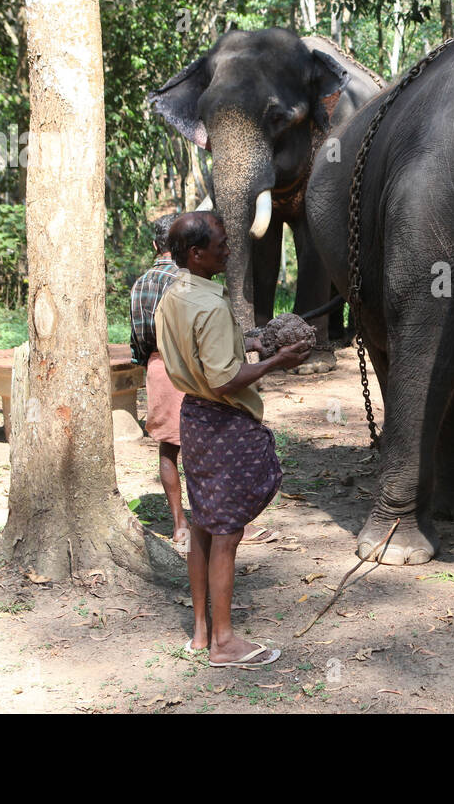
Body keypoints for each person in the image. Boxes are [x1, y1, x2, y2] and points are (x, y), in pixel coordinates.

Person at [155, 211, 311, 667]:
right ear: (196, 254)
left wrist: (255, 342)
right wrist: (277, 362)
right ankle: (225, 643)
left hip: (195, 419)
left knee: (203, 523)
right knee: (227, 533)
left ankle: (202, 633)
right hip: (224, 421)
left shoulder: (176, 294)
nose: (228, 249)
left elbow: (205, 356)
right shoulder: (208, 304)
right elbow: (224, 379)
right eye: (221, 244)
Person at [129, 213, 191, 554]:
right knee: (203, 446)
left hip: (158, 367)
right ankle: (214, 519)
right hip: (192, 369)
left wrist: (149, 361)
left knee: (169, 448)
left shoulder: (139, 284)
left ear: (155, 245)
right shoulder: (188, 280)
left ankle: (179, 524)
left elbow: (138, 339)